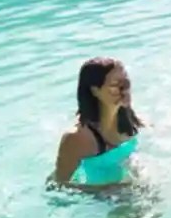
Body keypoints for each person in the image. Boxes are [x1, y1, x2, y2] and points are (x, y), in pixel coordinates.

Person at [50, 57, 144, 190]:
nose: (125, 90)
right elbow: (59, 186)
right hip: (105, 203)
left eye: (126, 83)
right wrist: (111, 190)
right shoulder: (78, 138)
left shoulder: (133, 122)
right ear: (95, 91)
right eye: (115, 85)